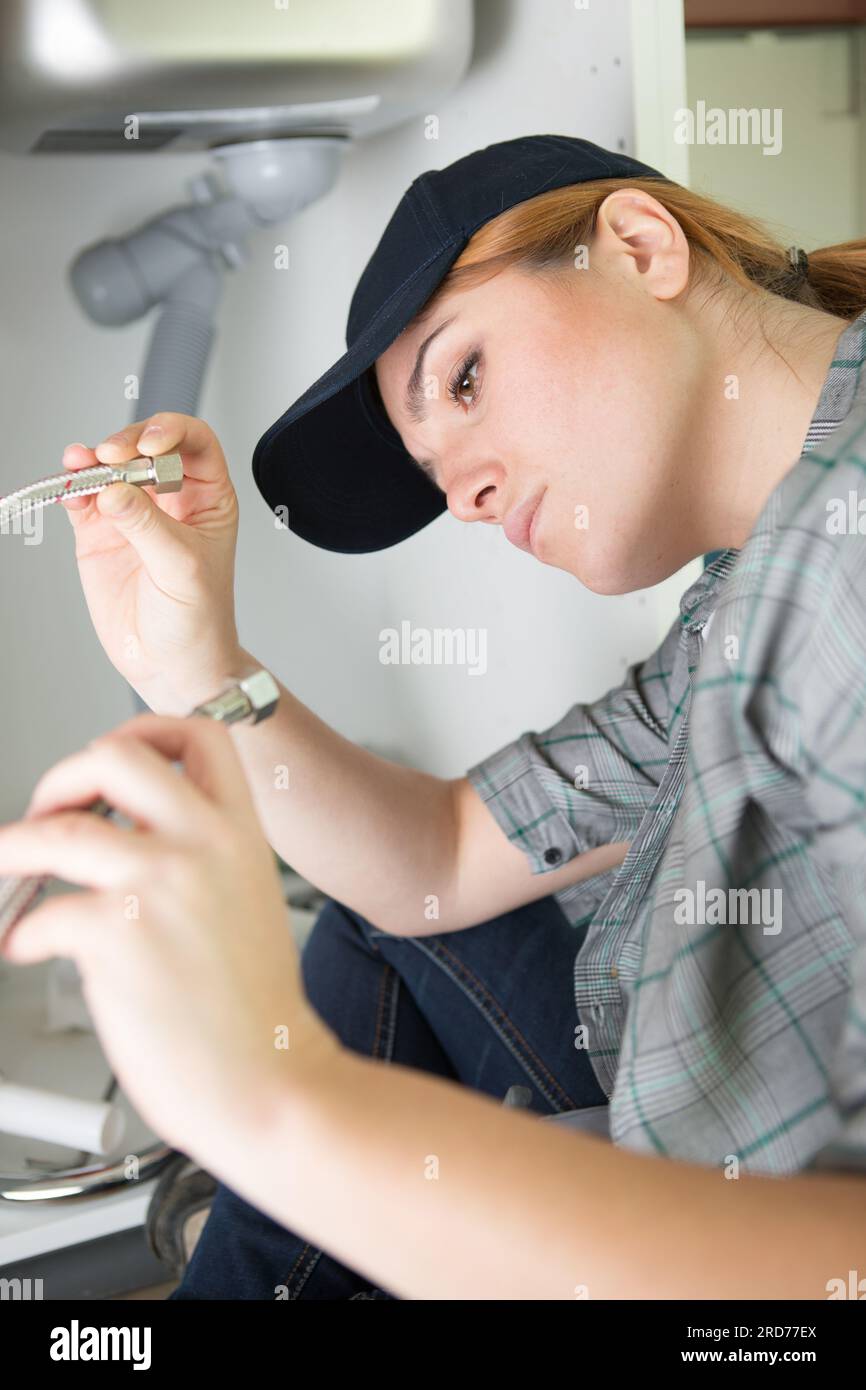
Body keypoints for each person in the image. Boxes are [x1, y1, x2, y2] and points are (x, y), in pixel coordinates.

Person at [1, 135, 865, 1300]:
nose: (463, 498)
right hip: (666, 1132)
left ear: (638, 245)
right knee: (387, 925)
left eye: (462, 380)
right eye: (438, 472)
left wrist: (288, 1103)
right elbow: (439, 860)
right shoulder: (750, 584)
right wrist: (196, 660)